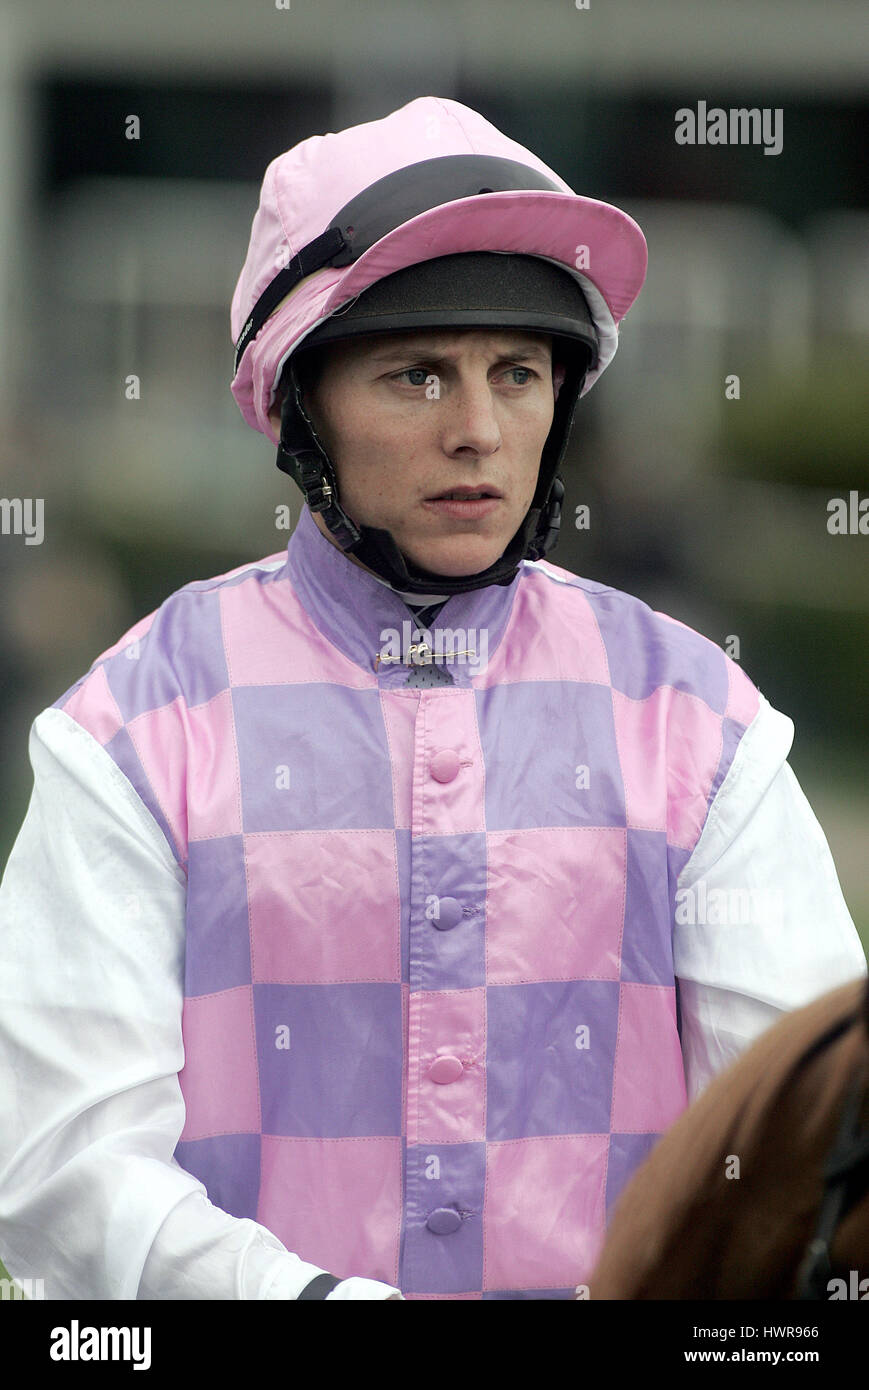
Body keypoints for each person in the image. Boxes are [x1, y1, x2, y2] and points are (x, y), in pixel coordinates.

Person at [0, 95, 864, 1302]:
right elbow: (63, 1173)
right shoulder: (130, 730)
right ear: (301, 404)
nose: (478, 432)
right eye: (415, 376)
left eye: (516, 374)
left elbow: (802, 1150)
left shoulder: (700, 722)